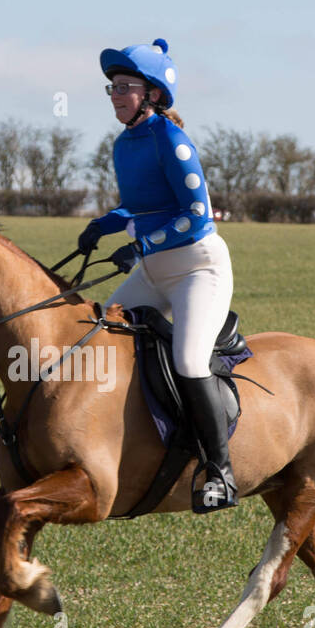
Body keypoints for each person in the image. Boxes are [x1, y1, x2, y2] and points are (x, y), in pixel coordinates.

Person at [78, 38, 238, 513]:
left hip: (197, 270)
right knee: (96, 335)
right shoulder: (124, 143)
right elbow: (140, 206)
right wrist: (103, 225)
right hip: (153, 270)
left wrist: (141, 243)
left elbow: (196, 215)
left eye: (125, 87)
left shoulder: (173, 140)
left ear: (151, 94)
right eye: (111, 87)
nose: (115, 95)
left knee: (189, 361)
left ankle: (220, 473)